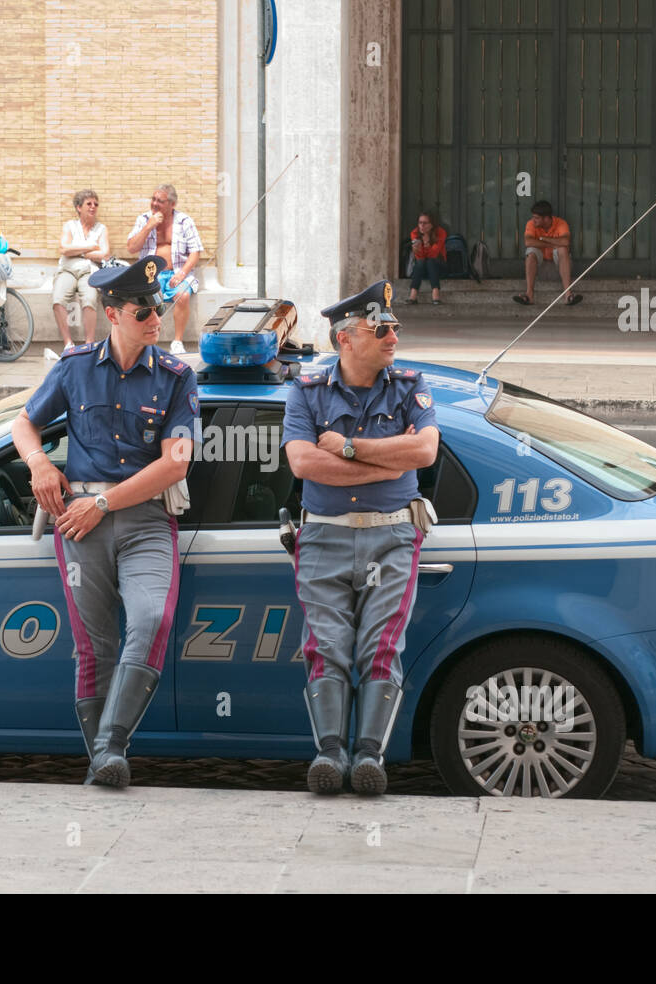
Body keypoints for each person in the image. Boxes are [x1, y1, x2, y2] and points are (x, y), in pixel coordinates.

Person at [10, 256, 197, 788]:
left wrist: (105, 504)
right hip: (79, 522)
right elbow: (25, 422)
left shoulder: (177, 378)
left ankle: (111, 747)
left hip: (142, 519)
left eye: (158, 307)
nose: (155, 318)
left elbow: (175, 463)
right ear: (113, 314)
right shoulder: (73, 367)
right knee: (94, 646)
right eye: (143, 310)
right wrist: (40, 463)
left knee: (151, 621)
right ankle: (104, 761)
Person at [281, 280, 440, 796]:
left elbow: (424, 455)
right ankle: (330, 754)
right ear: (345, 338)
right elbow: (304, 463)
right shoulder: (306, 391)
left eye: (393, 326)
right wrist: (385, 464)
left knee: (380, 648)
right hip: (323, 537)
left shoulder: (410, 386)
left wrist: (348, 450)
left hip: (391, 535)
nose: (393, 336)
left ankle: (370, 758)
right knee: (327, 648)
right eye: (381, 328)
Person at [126, 184, 202, 355]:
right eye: (153, 199)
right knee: (146, 300)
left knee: (182, 296)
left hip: (178, 272)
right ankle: (145, 342)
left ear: (172, 204)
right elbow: (131, 247)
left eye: (160, 201)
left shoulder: (184, 221)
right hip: (151, 273)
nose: (154, 204)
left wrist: (182, 273)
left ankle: (177, 342)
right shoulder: (144, 219)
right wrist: (148, 227)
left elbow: (195, 252)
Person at [52, 189, 110, 350]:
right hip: (67, 270)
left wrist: (76, 250)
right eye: (89, 204)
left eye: (95, 204)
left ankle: (88, 345)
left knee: (90, 300)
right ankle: (68, 344)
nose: (93, 207)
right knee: (58, 300)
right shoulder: (70, 226)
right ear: (79, 207)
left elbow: (104, 254)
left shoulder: (101, 229)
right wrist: (90, 248)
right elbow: (64, 249)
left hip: (88, 271)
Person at [514, 200, 581, 306]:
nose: (533, 220)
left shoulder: (561, 223)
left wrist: (543, 239)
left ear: (546, 218)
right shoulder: (531, 224)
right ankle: (529, 295)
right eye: (533, 217)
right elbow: (528, 242)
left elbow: (566, 241)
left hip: (560, 268)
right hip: (538, 269)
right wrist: (553, 243)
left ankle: (568, 295)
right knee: (531, 251)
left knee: (563, 249)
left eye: (536, 218)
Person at [406, 212, 446, 305]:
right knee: (420, 262)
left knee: (431, 262)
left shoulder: (440, 233)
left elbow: (434, 254)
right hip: (422, 267)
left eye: (425, 223)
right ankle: (413, 295)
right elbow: (420, 258)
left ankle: (436, 294)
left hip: (439, 265)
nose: (422, 226)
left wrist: (427, 242)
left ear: (431, 225)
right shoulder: (415, 233)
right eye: (420, 223)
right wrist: (417, 249)